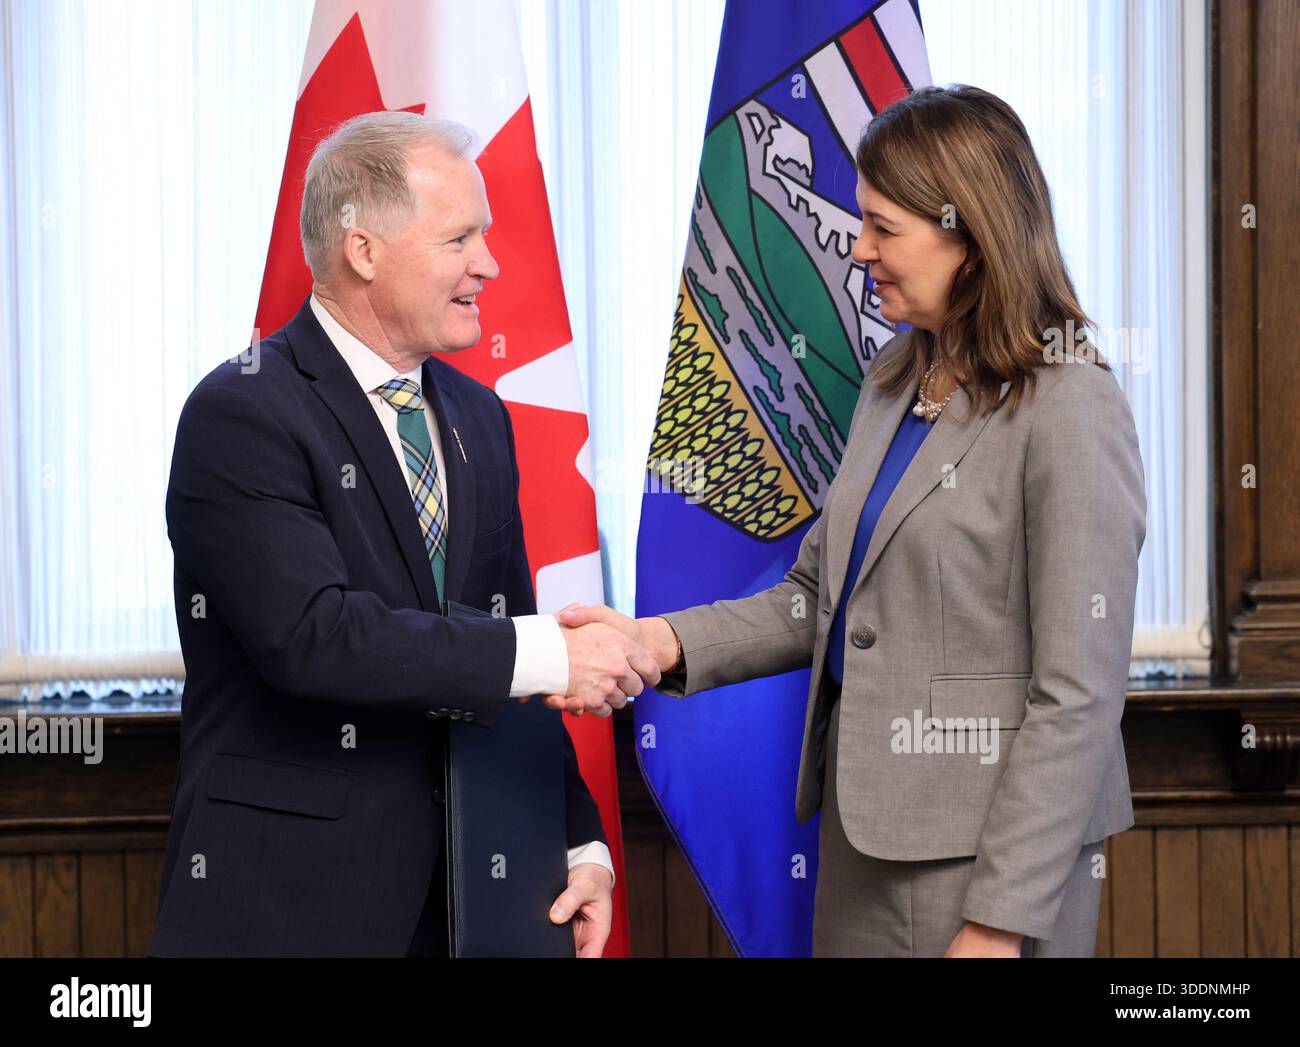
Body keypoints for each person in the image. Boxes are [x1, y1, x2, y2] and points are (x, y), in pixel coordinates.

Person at [555, 85, 1146, 958]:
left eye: (883, 226)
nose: (859, 248)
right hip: (862, 846)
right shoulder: (892, 379)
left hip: (986, 867)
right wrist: (656, 644)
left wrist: (1000, 918)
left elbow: (1079, 695)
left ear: (969, 235)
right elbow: (817, 596)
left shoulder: (1071, 406)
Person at [150, 111, 657, 958]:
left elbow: (511, 642)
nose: (489, 264)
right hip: (286, 908)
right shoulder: (242, 411)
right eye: (460, 237)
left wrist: (579, 841)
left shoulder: (478, 416)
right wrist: (549, 655)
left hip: (470, 906)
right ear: (364, 251)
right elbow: (313, 638)